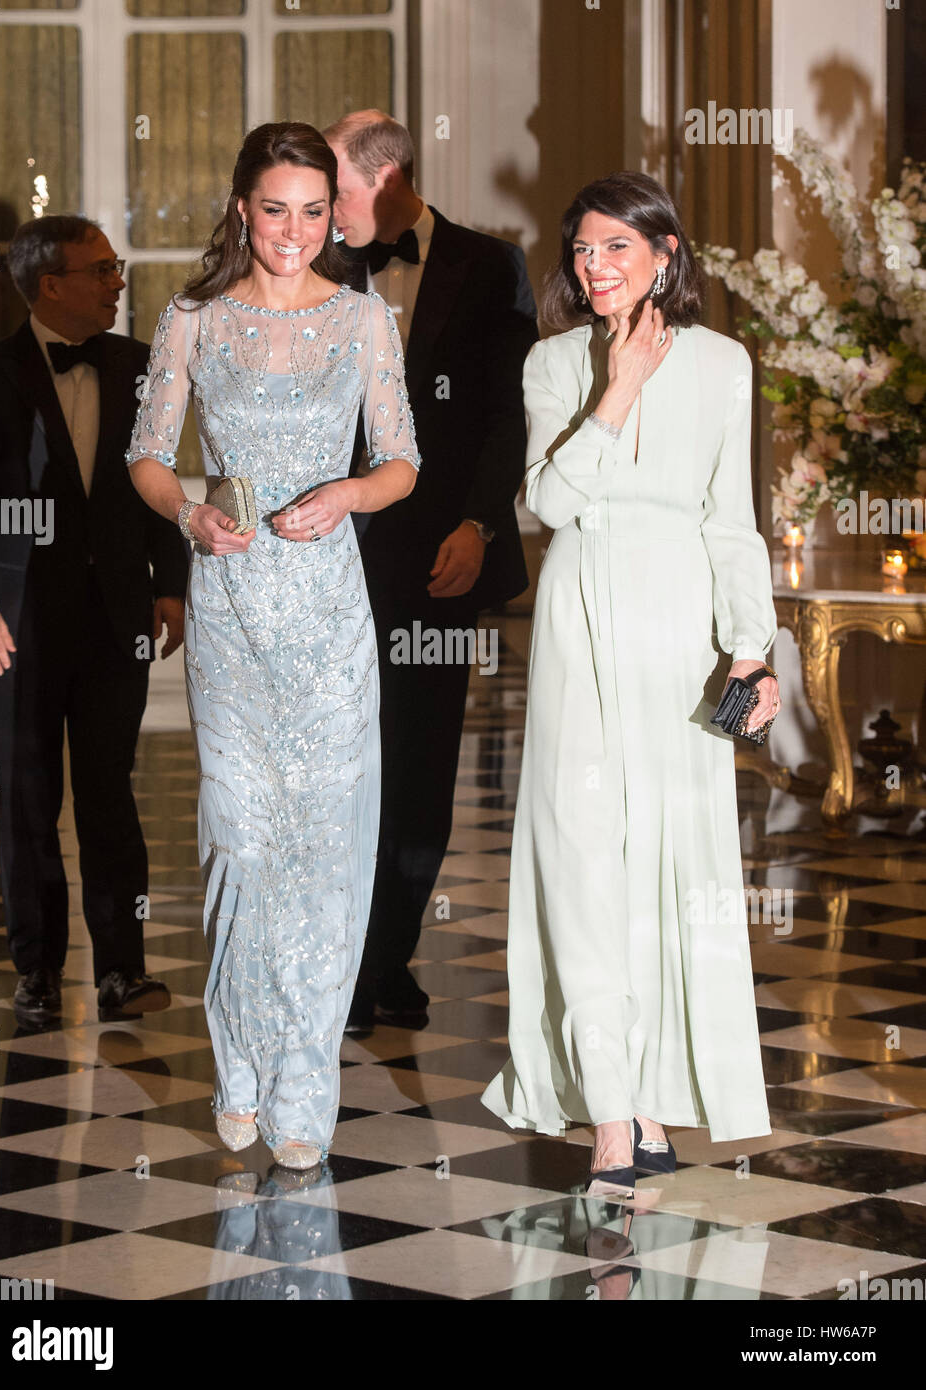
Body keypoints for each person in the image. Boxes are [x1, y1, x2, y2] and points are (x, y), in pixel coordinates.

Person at [126, 121, 420, 1169]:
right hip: (231, 605)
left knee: (326, 851)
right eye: (272, 209)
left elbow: (401, 463)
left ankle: (304, 1077)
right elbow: (147, 457)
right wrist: (192, 516)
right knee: (242, 843)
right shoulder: (193, 320)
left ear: (332, 214)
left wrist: (345, 492)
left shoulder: (362, 320)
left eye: (311, 210)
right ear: (240, 207)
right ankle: (239, 1061)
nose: (292, 230)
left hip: (331, 615)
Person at [480, 173, 781, 1195]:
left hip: (680, 630)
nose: (593, 266)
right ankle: (610, 1115)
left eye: (615, 247)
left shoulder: (724, 364)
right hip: (578, 618)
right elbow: (550, 501)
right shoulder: (553, 362)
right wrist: (614, 389)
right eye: (581, 251)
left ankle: (651, 1098)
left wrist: (751, 646)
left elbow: (730, 515)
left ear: (665, 253)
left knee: (667, 866)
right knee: (577, 858)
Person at [323, 110, 538, 1029]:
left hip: (441, 561)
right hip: (328, 559)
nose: (324, 211)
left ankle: (385, 955)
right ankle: (343, 961)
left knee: (418, 770)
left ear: (391, 175)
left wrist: (482, 525)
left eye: (337, 190)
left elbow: (506, 416)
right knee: (337, 766)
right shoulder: (319, 266)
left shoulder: (490, 269)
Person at [0, 215, 187, 1026]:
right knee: (24, 798)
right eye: (102, 269)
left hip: (114, 617)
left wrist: (172, 582)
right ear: (50, 285)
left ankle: (123, 971)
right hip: (14, 623)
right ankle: (37, 971)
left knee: (108, 796)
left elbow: (154, 481)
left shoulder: (135, 365)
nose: (118, 281)